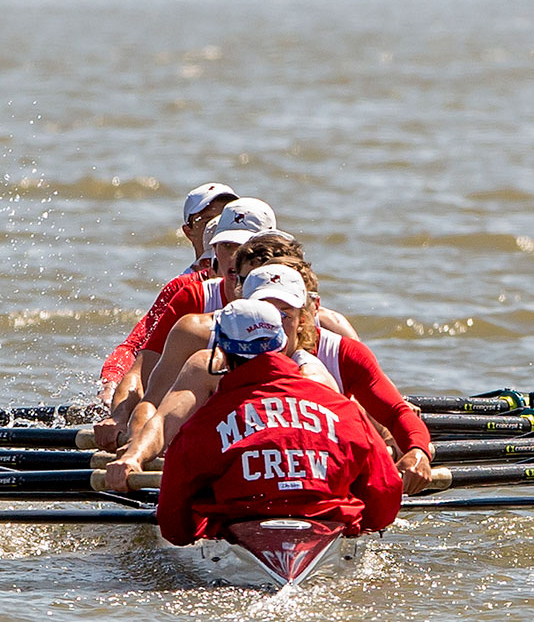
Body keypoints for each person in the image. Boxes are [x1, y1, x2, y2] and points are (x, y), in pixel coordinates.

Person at [106, 260, 434, 495]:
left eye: (285, 315)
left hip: (302, 481)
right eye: (264, 311)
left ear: (305, 318)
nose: (272, 323)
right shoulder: (205, 364)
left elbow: (394, 413)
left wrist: (417, 451)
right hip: (229, 481)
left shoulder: (333, 360)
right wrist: (134, 457)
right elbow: (165, 420)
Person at [153, 298, 402, 547]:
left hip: (239, 537)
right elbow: (386, 492)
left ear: (223, 351)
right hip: (326, 531)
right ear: (282, 344)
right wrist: (361, 526)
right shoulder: (343, 410)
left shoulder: (204, 424)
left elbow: (174, 528)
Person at [96, 197, 274, 446]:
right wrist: (122, 420)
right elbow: (144, 378)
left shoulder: (291, 303)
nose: (234, 258)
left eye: (244, 248)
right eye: (227, 246)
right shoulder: (190, 295)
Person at [97, 183, 238, 403]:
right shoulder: (183, 290)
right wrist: (111, 385)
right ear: (188, 231)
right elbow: (134, 347)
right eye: (206, 220)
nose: (218, 225)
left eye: (226, 216)